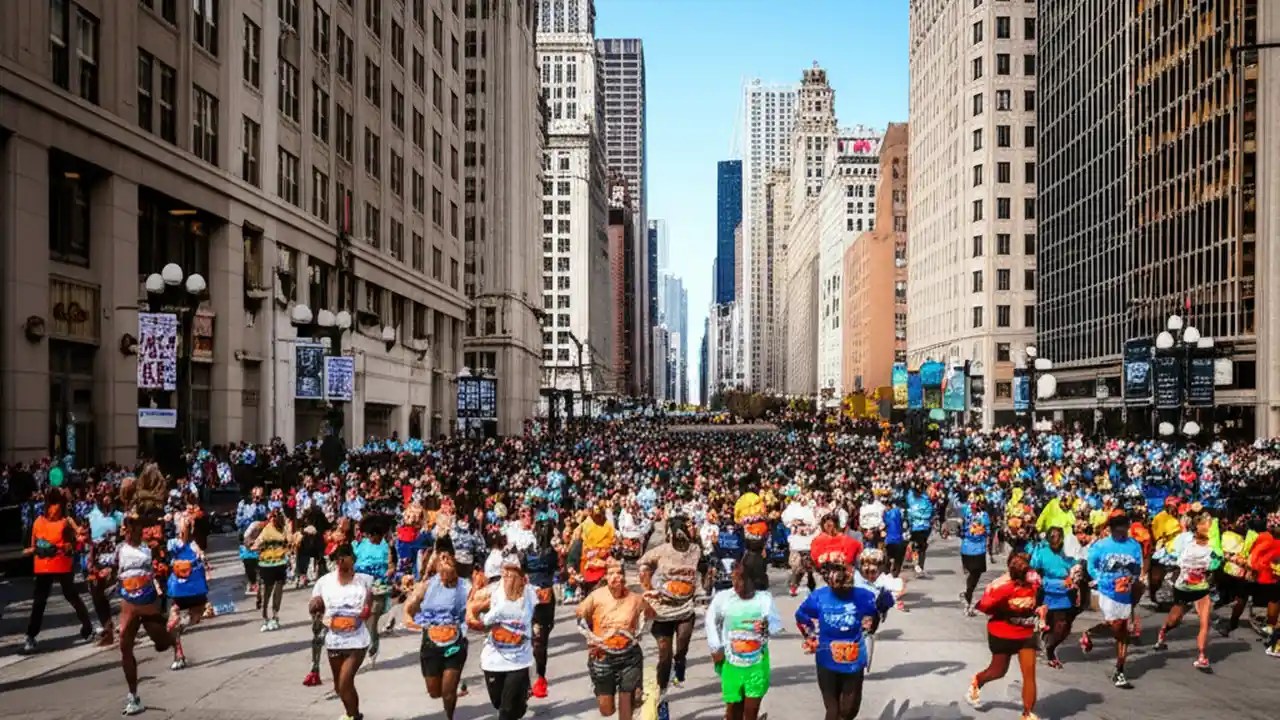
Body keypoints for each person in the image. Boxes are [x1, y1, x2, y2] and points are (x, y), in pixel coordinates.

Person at [796, 552, 887, 720]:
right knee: (833, 710)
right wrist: (811, 635)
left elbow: (875, 617)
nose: (841, 583)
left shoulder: (863, 596)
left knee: (848, 711)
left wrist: (873, 621)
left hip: (853, 661)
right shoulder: (819, 597)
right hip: (826, 659)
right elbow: (801, 615)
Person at [116, 497, 178, 716]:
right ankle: (133, 696)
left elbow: (164, 569)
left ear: (140, 528)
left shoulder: (150, 548)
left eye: (133, 526)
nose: (129, 530)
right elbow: (109, 570)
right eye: (127, 526)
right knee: (125, 644)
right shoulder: (119, 550)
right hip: (129, 602)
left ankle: (174, 638)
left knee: (161, 643)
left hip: (148, 601)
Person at [638, 514, 702, 720]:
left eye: (684, 537)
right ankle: (662, 698)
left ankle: (680, 661)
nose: (681, 541)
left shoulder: (695, 550)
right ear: (671, 536)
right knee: (664, 656)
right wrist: (647, 585)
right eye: (677, 537)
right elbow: (643, 563)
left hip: (685, 607)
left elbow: (704, 569)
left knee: (681, 644)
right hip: (663, 610)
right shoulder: (661, 551)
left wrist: (703, 586)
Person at [705, 553, 783, 720]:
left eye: (741, 580)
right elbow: (710, 620)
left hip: (757, 664)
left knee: (750, 711)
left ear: (752, 580)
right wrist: (715, 647)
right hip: (731, 663)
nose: (736, 584)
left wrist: (766, 627)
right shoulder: (724, 598)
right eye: (734, 580)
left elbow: (775, 625)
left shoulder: (764, 599)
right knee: (733, 711)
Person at [576, 559, 655, 720]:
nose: (616, 576)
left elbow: (651, 614)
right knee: (607, 710)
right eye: (612, 573)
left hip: (629, 656)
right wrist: (592, 638)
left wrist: (650, 599)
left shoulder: (635, 598)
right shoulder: (596, 597)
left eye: (619, 573)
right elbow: (580, 615)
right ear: (605, 577)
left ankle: (634, 694)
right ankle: (604, 690)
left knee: (626, 704)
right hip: (603, 657)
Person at [966, 552, 1042, 720]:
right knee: (998, 671)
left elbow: (1042, 600)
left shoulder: (1035, 584)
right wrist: (1002, 604)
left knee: (1029, 675)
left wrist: (1041, 609)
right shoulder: (1002, 587)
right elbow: (984, 606)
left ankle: (1027, 714)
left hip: (1026, 633)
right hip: (1002, 632)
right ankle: (978, 680)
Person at [22, 486, 96, 654]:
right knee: (47, 599)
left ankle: (87, 627)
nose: (54, 508)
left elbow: (77, 537)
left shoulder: (62, 521)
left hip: (56, 562)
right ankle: (31, 635)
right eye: (53, 503)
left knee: (63, 596)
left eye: (57, 503)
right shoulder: (44, 522)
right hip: (48, 563)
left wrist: (77, 538)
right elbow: (33, 546)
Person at [403, 538, 471, 720]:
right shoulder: (427, 585)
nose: (445, 562)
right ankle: (452, 688)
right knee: (434, 692)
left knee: (448, 692)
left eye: (448, 558)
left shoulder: (465, 586)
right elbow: (410, 605)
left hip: (455, 640)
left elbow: (475, 605)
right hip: (431, 641)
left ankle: (450, 714)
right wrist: (409, 615)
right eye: (441, 559)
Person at [467, 551, 537, 720]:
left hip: (519, 659)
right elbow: (472, 606)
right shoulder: (492, 592)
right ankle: (520, 702)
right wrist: (474, 620)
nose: (508, 576)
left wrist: (536, 628)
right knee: (499, 703)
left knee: (506, 710)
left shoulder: (531, 592)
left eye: (513, 572)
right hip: (493, 659)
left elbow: (539, 611)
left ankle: (518, 701)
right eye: (505, 572)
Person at [310, 543, 374, 720]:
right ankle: (352, 714)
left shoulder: (365, 581)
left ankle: (353, 716)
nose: (343, 562)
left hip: (357, 641)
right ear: (336, 561)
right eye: (340, 559)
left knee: (346, 682)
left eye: (347, 558)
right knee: (340, 687)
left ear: (353, 560)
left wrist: (366, 610)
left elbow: (370, 604)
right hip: (334, 640)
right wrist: (315, 607)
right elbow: (315, 604)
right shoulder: (324, 582)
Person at [1081, 512, 1143, 686]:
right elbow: (1091, 565)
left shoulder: (1134, 545)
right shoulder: (1101, 545)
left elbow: (1138, 567)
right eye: (1118, 531)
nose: (1121, 534)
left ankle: (1120, 670)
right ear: (1112, 529)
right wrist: (1100, 578)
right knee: (1115, 625)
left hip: (1125, 592)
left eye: (1124, 530)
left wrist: (1133, 577)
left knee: (1122, 630)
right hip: (1107, 591)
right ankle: (1090, 633)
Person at [1155, 512, 1222, 671]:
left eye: (1209, 524)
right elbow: (1171, 553)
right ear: (1196, 527)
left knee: (1205, 623)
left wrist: (1217, 560)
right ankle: (1163, 631)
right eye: (1204, 524)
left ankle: (1202, 656)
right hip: (1183, 587)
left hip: (1201, 588)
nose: (1207, 527)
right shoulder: (1184, 541)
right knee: (1175, 620)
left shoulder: (1213, 546)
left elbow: (1216, 564)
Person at [1030, 526, 1079, 669]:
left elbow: (1076, 565)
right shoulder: (1042, 552)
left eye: (1058, 536)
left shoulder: (1068, 551)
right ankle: (1049, 651)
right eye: (1052, 536)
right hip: (1047, 593)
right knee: (1049, 623)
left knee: (1063, 627)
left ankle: (1049, 646)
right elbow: (1033, 568)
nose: (1055, 539)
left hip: (1065, 593)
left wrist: (1075, 574)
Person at [165, 515, 210, 670]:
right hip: (178, 590)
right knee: (172, 623)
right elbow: (173, 549)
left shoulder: (194, 544)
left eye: (189, 526)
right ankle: (178, 655)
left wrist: (203, 559)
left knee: (194, 618)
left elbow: (201, 554)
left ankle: (181, 628)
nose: (186, 529)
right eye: (184, 526)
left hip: (196, 589)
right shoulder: (173, 543)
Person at [353, 514, 396, 665]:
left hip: (378, 588)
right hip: (360, 587)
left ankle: (373, 644)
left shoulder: (387, 547)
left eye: (374, 535)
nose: (372, 538)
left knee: (372, 617)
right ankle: (363, 646)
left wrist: (388, 573)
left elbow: (392, 566)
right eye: (369, 535)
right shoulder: (359, 545)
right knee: (360, 619)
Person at [86, 483, 124, 646]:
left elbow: (125, 537)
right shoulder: (90, 517)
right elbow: (87, 540)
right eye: (103, 496)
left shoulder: (120, 516)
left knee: (123, 593)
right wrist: (89, 560)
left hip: (117, 560)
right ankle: (107, 629)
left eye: (109, 495)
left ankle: (126, 628)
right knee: (97, 595)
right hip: (97, 561)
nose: (107, 499)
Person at [526, 520, 560, 698]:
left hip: (544, 599)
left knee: (540, 642)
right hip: (530, 598)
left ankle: (540, 678)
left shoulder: (552, 554)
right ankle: (530, 679)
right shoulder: (527, 552)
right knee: (532, 640)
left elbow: (559, 572)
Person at [248, 506, 291, 631]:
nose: (274, 519)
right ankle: (267, 618)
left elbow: (289, 542)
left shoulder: (283, 529)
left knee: (276, 592)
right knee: (268, 593)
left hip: (278, 564)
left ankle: (273, 617)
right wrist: (257, 546)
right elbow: (255, 545)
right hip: (268, 565)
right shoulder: (266, 530)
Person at [1248, 512, 1280, 655]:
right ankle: (1275, 643)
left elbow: (1255, 558)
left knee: (1274, 600)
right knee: (1275, 600)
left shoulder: (1266, 540)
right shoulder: (1268, 541)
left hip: (1271, 578)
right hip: (1272, 578)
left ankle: (1271, 630)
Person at [959, 495, 992, 616]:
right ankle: (968, 596)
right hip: (974, 549)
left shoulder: (967, 511)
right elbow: (988, 531)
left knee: (973, 574)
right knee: (974, 575)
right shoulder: (983, 515)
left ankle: (968, 598)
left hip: (970, 548)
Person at [782, 494, 819, 597]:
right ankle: (794, 586)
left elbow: (816, 521)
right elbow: (786, 520)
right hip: (797, 540)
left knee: (809, 565)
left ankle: (811, 585)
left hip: (809, 539)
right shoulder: (792, 508)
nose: (802, 500)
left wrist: (810, 528)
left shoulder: (811, 508)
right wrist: (794, 523)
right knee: (796, 565)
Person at [576, 503, 617, 595]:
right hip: (589, 559)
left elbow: (611, 540)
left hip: (602, 557)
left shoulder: (607, 526)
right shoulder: (585, 526)